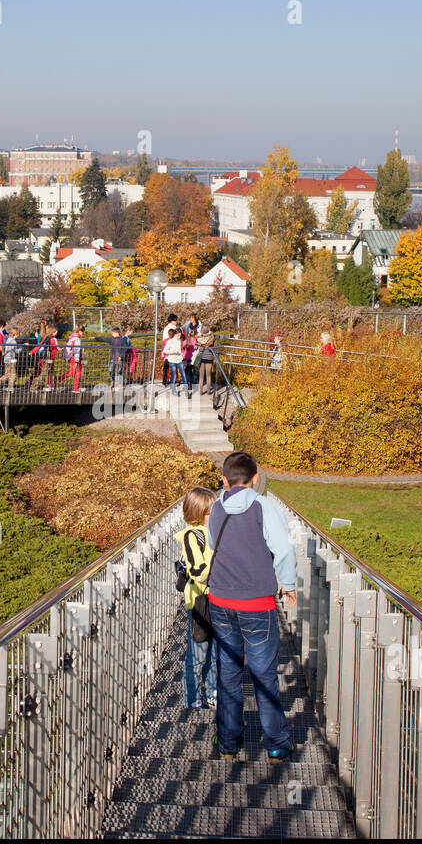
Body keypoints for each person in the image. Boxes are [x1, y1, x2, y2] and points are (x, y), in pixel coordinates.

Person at [207, 451, 297, 762]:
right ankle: (275, 744)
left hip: (219, 600)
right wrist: (288, 585)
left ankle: (228, 743)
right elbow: (283, 549)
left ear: (223, 480)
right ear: (255, 479)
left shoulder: (216, 508)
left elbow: (214, 547)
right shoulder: (262, 506)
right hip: (257, 603)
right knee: (263, 673)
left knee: (228, 672)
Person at [175, 486, 219, 710]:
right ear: (198, 513)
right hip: (200, 602)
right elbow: (197, 571)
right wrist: (217, 555)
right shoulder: (193, 536)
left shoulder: (212, 533)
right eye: (211, 511)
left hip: (216, 600)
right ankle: (191, 699)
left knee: (215, 652)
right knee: (198, 652)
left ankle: (212, 694)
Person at [29, 325, 61, 390]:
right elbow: (58, 348)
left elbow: (39, 346)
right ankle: (34, 386)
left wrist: (32, 352)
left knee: (52, 372)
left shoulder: (46, 338)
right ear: (54, 332)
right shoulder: (53, 339)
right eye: (56, 331)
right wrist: (67, 345)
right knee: (44, 373)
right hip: (49, 358)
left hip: (43, 357)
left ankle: (57, 386)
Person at [162, 327, 189, 396]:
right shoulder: (170, 341)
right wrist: (172, 352)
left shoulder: (180, 341)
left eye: (180, 335)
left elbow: (181, 350)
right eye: (178, 335)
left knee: (183, 374)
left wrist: (182, 355)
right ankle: (173, 390)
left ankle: (186, 391)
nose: (179, 337)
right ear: (175, 334)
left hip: (179, 360)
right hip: (172, 360)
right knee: (173, 375)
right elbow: (165, 350)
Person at [61, 324, 85, 392]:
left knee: (72, 372)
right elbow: (76, 349)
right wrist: (77, 360)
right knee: (78, 372)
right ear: (80, 331)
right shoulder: (77, 339)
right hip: (74, 357)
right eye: (82, 332)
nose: (82, 334)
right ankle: (75, 388)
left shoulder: (71, 336)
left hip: (69, 356)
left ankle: (58, 379)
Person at [195, 326, 217, 395]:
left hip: (201, 357)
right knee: (208, 375)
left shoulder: (199, 338)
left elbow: (195, 347)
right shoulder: (212, 338)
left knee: (201, 376)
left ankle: (201, 391)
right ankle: (208, 391)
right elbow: (213, 344)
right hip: (209, 357)